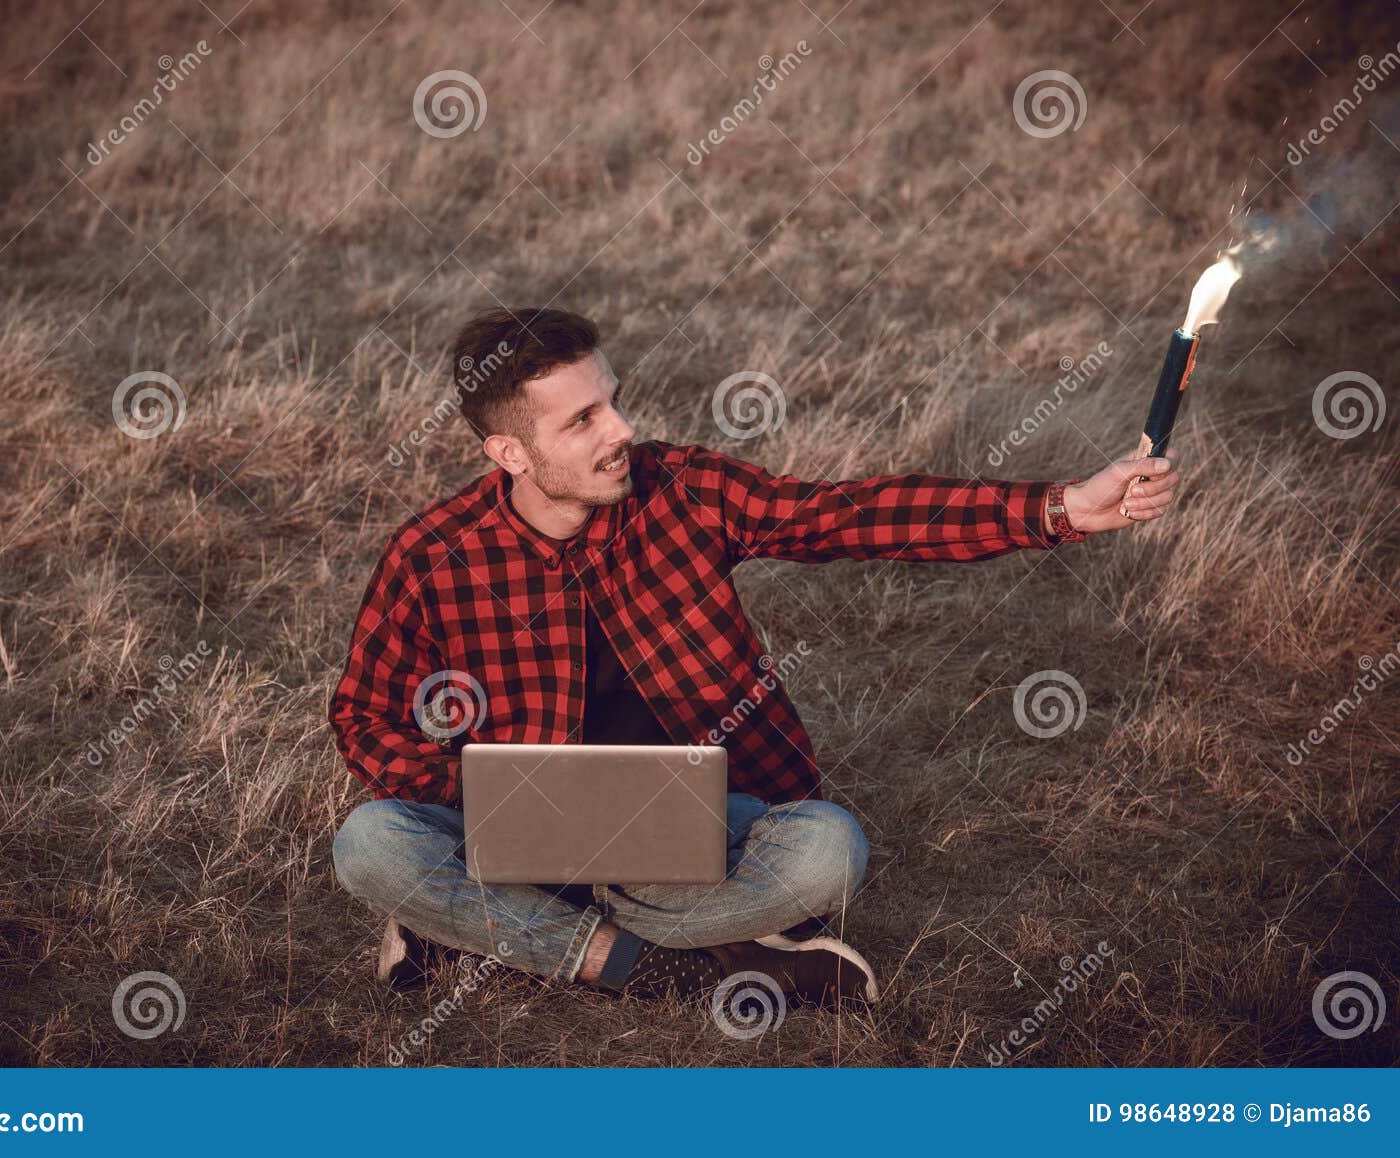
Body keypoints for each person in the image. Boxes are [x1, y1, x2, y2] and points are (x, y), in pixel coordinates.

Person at [328, 307, 1181, 1007]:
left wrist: (1062, 507)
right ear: (511, 453)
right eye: (583, 420)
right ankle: (645, 955)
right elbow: (361, 713)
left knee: (828, 850)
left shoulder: (684, 491)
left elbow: (848, 516)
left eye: (614, 402)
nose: (622, 430)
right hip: (524, 831)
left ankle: (494, 931)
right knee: (371, 843)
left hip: (695, 828)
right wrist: (477, 796)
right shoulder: (433, 554)